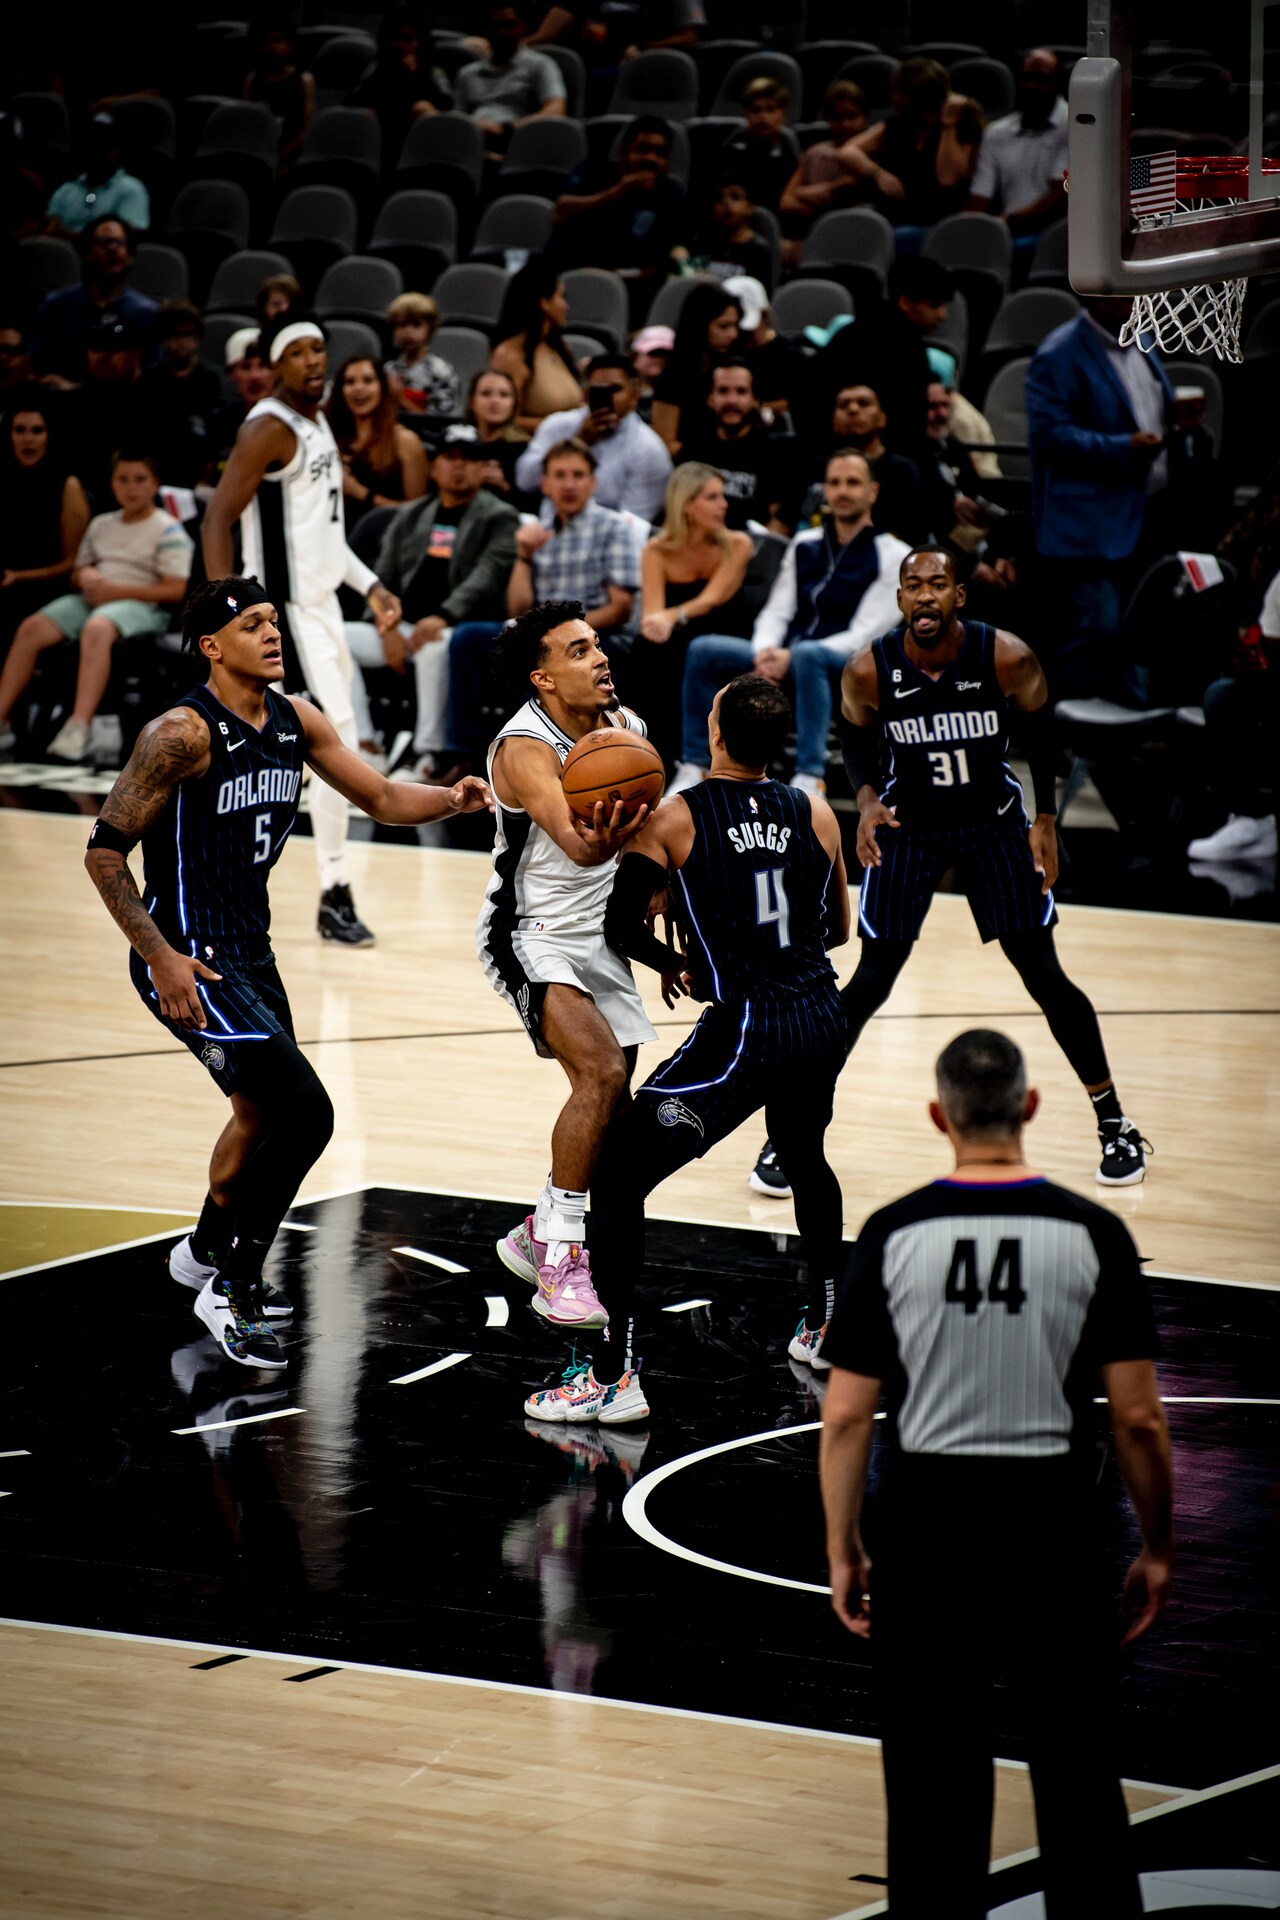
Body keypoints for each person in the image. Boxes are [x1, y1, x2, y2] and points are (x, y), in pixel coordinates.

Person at [84, 577, 492, 1371]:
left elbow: (380, 795)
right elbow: (104, 853)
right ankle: (233, 1286)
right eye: (252, 624)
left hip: (253, 953)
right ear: (211, 646)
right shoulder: (179, 735)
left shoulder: (296, 720)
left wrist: (452, 798)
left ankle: (202, 1253)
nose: (273, 634)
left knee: (260, 1114)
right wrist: (160, 958)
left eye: (274, 620)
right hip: (189, 957)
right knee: (306, 1114)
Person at [820, 1027, 1172, 1920]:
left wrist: (844, 1547)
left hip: (927, 1528)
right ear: (1031, 1107)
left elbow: (847, 1415)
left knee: (933, 1784)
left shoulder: (893, 1232)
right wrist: (1158, 1546)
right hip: (1053, 1524)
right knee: (1078, 1773)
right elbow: (1138, 1418)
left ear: (939, 1117)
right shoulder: (1094, 1232)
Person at [752, 545, 1152, 1201]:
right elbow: (855, 740)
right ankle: (790, 1130)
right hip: (910, 826)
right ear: (900, 599)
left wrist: (1046, 817)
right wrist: (867, 800)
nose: (925, 595)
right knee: (869, 982)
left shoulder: (1005, 657)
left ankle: (1115, 1123)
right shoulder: (868, 669)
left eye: (938, 583)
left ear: (959, 596)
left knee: (1044, 975)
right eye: (913, 585)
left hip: (993, 824)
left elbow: (1042, 730)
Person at [524, 672, 851, 1423]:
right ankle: (828, 1325)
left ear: (717, 734)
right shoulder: (816, 812)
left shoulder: (674, 818)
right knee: (805, 1157)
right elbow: (837, 929)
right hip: (820, 1016)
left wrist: (676, 961)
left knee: (616, 1172)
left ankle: (611, 1376)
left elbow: (617, 926)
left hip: (748, 1031)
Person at [479, 598, 654, 1343]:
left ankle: (536, 1230)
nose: (600, 657)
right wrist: (621, 836)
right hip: (531, 931)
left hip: (601, 935)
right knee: (601, 1073)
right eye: (578, 651)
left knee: (613, 1105)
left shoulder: (628, 728)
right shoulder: (525, 748)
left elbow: (642, 847)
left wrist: (657, 921)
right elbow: (582, 849)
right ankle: (560, 1258)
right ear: (543, 678)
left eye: (597, 644)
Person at [202, 312, 405, 948]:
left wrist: (371, 587)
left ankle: (298, 887)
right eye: (300, 352)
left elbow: (327, 538)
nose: (314, 360)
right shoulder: (268, 426)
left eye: (320, 349)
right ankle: (334, 889)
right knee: (329, 742)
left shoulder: (317, 424)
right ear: (276, 364)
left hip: (322, 609)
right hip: (282, 613)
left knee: (301, 747)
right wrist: (225, 614)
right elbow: (216, 518)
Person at [673, 451, 908, 796]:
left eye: (853, 483)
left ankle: (809, 775)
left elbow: (865, 634)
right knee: (704, 649)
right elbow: (777, 611)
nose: (842, 491)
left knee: (810, 655)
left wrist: (791, 656)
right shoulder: (804, 543)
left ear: (872, 492)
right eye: (834, 483)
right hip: (784, 655)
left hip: (845, 665)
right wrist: (766, 653)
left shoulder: (894, 554)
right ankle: (695, 763)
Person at [347, 424, 519, 781]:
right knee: (335, 637)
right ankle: (365, 743)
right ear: (434, 466)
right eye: (450, 457)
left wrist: (442, 616)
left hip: (458, 628)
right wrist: (385, 626)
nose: (459, 466)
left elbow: (486, 576)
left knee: (435, 647)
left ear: (483, 467)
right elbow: (382, 578)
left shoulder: (500, 516)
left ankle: (426, 753)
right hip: (402, 624)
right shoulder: (411, 514)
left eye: (469, 459)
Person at [0, 449, 191, 763]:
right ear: (112, 483)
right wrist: (84, 576)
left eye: (139, 479)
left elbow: (174, 589)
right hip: (93, 598)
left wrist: (117, 591)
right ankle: (2, 718)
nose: (130, 487)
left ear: (155, 483)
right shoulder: (101, 524)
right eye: (122, 479)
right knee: (32, 627)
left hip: (141, 604)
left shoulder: (168, 528)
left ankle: (79, 726)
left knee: (97, 627)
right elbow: (77, 571)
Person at [1025, 297, 1173, 701]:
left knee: (1133, 631)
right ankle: (1073, 726)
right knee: (1096, 632)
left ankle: (1131, 724)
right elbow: (1049, 436)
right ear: (1097, 295)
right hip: (1086, 527)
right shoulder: (1059, 353)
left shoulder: (1143, 339)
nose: (1136, 296)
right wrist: (1123, 446)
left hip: (1141, 513)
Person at [634, 461, 753, 764]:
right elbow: (652, 615)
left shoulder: (738, 544)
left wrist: (670, 617)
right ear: (686, 505)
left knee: (691, 651)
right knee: (646, 649)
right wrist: (657, 624)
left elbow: (711, 599)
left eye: (722, 496)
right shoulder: (657, 550)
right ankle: (651, 754)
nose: (724, 504)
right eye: (712, 497)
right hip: (678, 639)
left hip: (724, 633)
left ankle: (695, 757)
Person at [550, 115, 687, 319]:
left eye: (661, 153)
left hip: (632, 291)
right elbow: (560, 212)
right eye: (642, 149)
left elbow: (652, 267)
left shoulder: (672, 196)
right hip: (571, 280)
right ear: (623, 152)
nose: (651, 159)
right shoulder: (594, 172)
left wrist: (609, 277)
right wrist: (613, 193)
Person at [514, 350, 671, 524]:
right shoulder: (556, 426)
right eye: (599, 389)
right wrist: (577, 442)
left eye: (615, 389)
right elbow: (525, 481)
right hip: (548, 530)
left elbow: (632, 524)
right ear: (586, 394)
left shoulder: (649, 450)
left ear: (634, 397)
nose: (608, 396)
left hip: (610, 538)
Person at [836, 57, 983, 235]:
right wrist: (877, 173)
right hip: (894, 220)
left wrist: (948, 124)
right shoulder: (897, 125)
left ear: (916, 96)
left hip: (940, 226)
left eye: (897, 91)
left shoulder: (962, 126)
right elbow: (847, 153)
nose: (892, 97)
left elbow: (947, 178)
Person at [0, 394, 90, 668]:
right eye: (20, 430)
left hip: (47, 586)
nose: (28, 439)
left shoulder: (67, 485)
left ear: (50, 436)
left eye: (37, 431)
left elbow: (73, 562)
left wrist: (20, 576)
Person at [33, 215, 158, 387]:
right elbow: (37, 363)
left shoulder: (148, 314)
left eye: (120, 243)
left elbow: (156, 374)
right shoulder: (56, 306)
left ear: (130, 256)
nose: (112, 249)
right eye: (104, 242)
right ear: (86, 254)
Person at [967, 48, 1068, 262]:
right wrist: (972, 227)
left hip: (1056, 230)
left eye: (1041, 80)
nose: (1032, 86)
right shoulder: (997, 132)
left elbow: (1062, 191)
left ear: (1057, 84)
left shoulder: (1075, 124)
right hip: (1008, 230)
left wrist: (1008, 221)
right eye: (1027, 79)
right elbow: (979, 198)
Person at [675, 360, 792, 535]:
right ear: (710, 399)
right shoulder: (693, 451)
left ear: (756, 400)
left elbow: (778, 525)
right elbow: (677, 512)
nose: (731, 400)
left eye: (741, 391)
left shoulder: (776, 454)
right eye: (723, 391)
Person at [323, 354, 428, 531]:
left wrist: (360, 492)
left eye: (368, 380)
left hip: (386, 539)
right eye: (350, 382)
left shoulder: (406, 442)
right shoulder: (330, 439)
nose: (358, 388)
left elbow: (418, 512)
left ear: (382, 387)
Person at [454, 1, 566, 162]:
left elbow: (556, 111)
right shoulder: (467, 73)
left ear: (523, 27)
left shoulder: (541, 65)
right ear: (485, 30)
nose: (501, 32)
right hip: (472, 144)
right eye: (495, 26)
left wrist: (504, 129)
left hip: (519, 144)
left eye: (509, 25)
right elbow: (458, 117)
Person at [814, 383, 926, 541]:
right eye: (844, 405)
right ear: (834, 421)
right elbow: (781, 526)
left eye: (863, 403)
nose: (853, 409)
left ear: (882, 419)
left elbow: (905, 536)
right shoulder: (816, 470)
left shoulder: (902, 472)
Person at [489, 256, 584, 434]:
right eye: (561, 296)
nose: (566, 306)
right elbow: (504, 420)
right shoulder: (510, 355)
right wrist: (563, 427)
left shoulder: (560, 348)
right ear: (544, 303)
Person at [779, 81, 870, 259]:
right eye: (837, 117)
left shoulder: (872, 156)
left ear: (865, 117)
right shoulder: (815, 152)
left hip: (856, 234)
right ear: (828, 120)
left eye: (852, 116)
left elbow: (844, 193)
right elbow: (786, 201)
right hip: (813, 231)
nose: (845, 124)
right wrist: (830, 191)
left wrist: (806, 194)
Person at [650, 282, 742, 456]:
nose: (733, 334)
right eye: (723, 326)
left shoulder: (733, 367)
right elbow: (666, 444)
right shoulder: (673, 378)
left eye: (735, 325)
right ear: (700, 324)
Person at [139, 300, 222, 489]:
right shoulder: (150, 379)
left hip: (197, 469)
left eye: (188, 335)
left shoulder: (209, 379)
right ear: (164, 338)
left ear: (198, 337)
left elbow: (214, 431)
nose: (182, 342)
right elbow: (144, 432)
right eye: (175, 335)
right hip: (159, 468)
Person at [351, 6, 453, 157]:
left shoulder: (432, 71)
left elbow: (446, 105)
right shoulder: (377, 68)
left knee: (423, 108)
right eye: (396, 38)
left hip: (422, 142)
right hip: (381, 136)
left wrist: (414, 75)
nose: (400, 45)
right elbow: (354, 100)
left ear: (419, 41)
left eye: (407, 39)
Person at [45, 112, 149, 237]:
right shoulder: (67, 189)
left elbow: (126, 237)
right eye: (89, 142)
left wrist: (65, 235)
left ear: (114, 150)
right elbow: (49, 229)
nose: (91, 149)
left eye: (99, 144)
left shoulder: (131, 189)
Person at [719, 77, 798, 215]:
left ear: (783, 116)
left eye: (770, 109)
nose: (762, 116)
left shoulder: (790, 155)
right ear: (746, 114)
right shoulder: (731, 151)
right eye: (756, 110)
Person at [243, 19, 316, 170]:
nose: (271, 47)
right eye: (265, 42)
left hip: (292, 153)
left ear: (290, 45)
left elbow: (308, 128)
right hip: (259, 150)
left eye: (277, 41)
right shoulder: (252, 80)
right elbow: (247, 123)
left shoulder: (304, 80)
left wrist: (284, 156)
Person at [206, 328, 274, 484]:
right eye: (245, 367)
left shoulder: (291, 419)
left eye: (263, 365)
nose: (255, 376)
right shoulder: (220, 420)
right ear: (231, 373)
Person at [384, 292, 461, 419]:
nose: (408, 331)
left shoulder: (441, 371)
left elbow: (442, 420)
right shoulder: (388, 370)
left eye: (416, 325)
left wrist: (401, 400)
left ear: (430, 330)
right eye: (402, 325)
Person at [697, 177, 775, 291]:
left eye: (735, 197)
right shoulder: (704, 243)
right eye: (720, 198)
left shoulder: (758, 251)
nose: (726, 203)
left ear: (750, 207)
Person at [465, 366, 530, 499]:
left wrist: (503, 485)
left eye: (504, 395)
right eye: (486, 393)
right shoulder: (459, 445)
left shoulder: (525, 450)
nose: (495, 401)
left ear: (514, 404)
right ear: (472, 402)